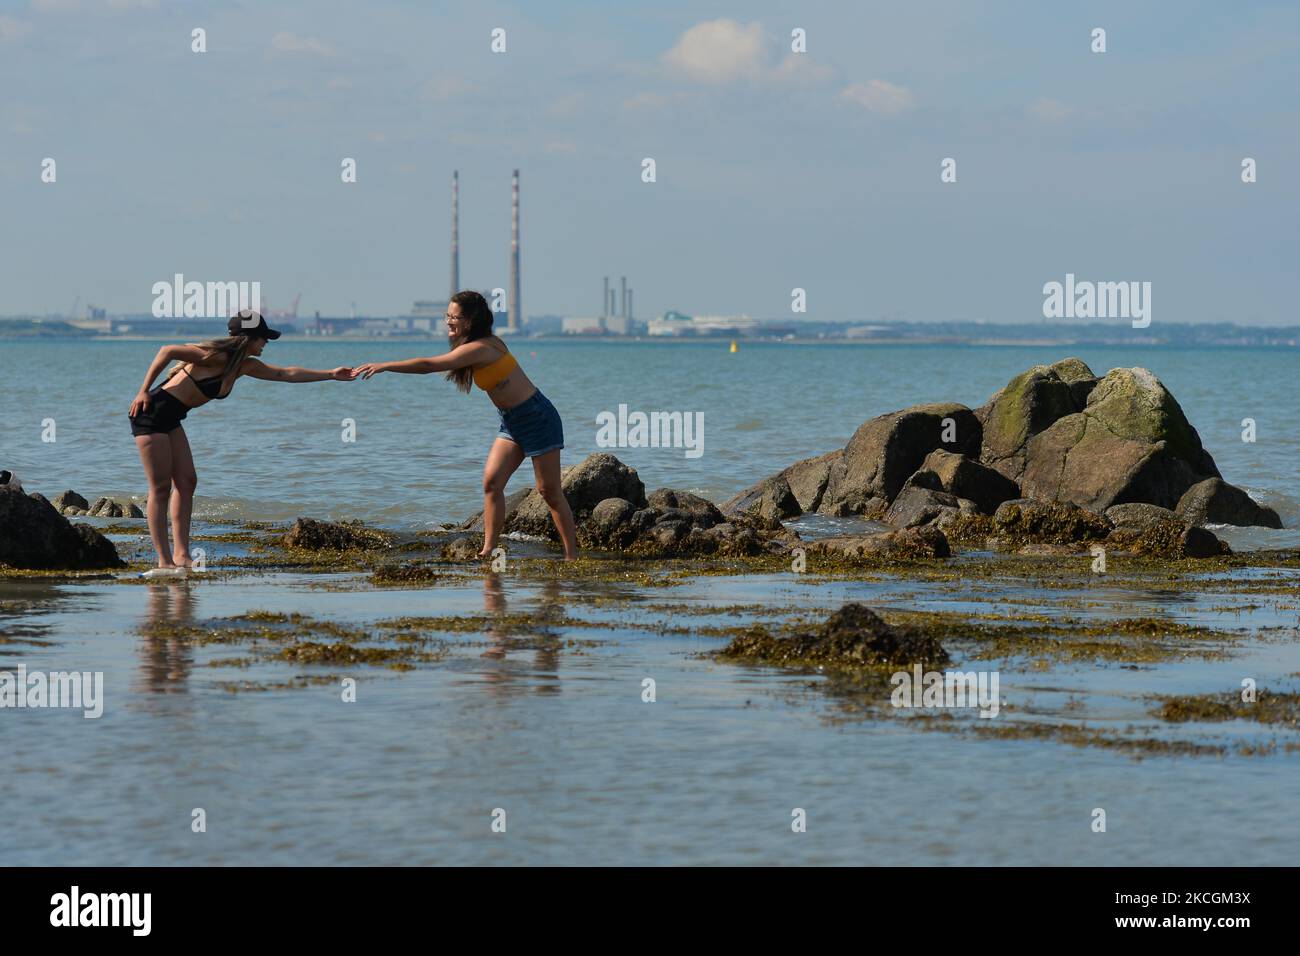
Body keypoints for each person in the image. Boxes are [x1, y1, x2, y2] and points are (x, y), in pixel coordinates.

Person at [353, 290, 578, 560]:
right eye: (447, 315)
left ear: (469, 321)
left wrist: (386, 365)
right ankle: (489, 550)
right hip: (511, 420)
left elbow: (428, 365)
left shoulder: (482, 347)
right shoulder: (474, 346)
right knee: (492, 484)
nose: (449, 321)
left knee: (549, 491)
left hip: (537, 417)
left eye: (454, 317)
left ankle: (571, 556)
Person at [128, 311, 354, 576]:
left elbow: (285, 373)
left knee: (187, 482)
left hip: (173, 418)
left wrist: (331, 374)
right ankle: (163, 561)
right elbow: (167, 350)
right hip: (149, 415)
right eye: (263, 338)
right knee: (161, 487)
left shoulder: (242, 365)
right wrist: (143, 390)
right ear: (248, 338)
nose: (266, 343)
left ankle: (182, 555)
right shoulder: (212, 356)